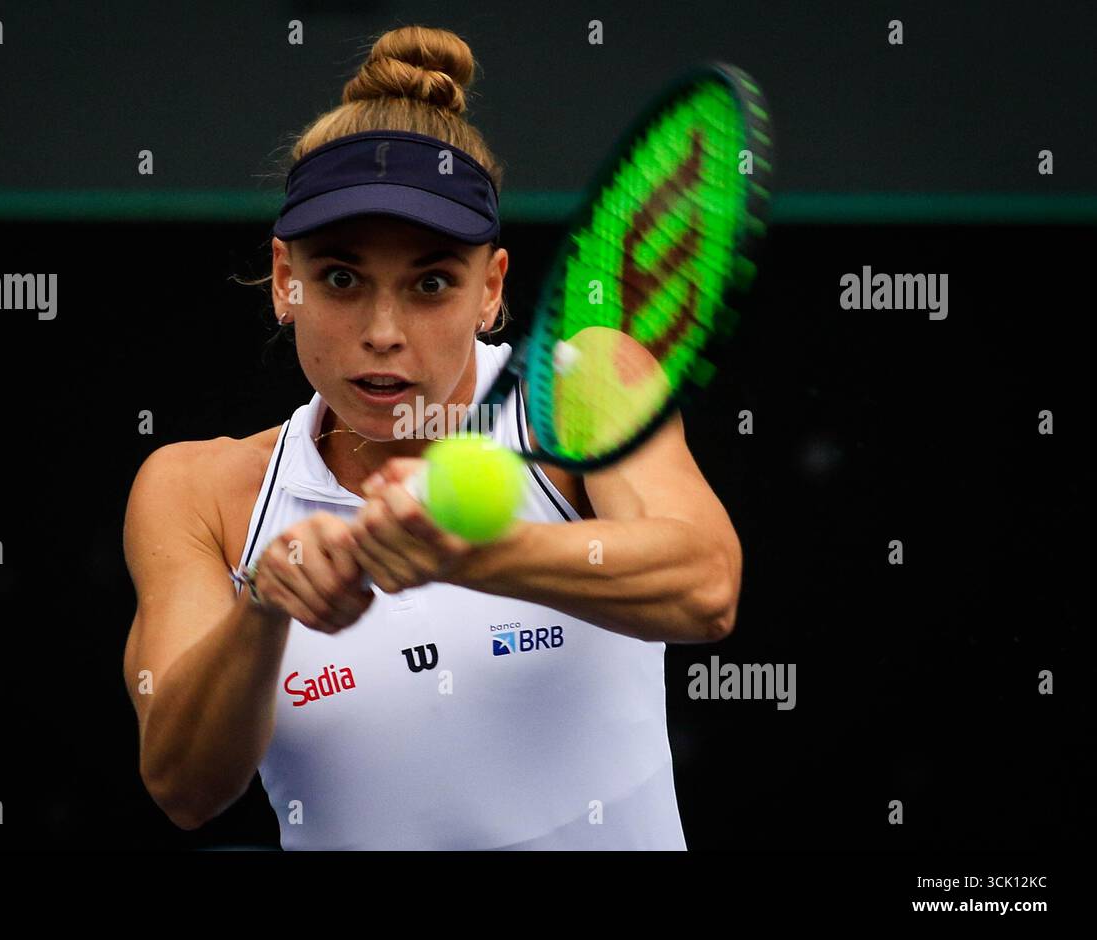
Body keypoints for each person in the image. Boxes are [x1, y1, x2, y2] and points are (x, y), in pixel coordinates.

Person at [122, 25, 742, 849]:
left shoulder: (584, 384)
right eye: (341, 279)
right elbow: (181, 786)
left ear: (491, 290)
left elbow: (706, 589)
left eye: (432, 283)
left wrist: (471, 555)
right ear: (284, 282)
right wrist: (264, 607)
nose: (383, 332)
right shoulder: (194, 489)